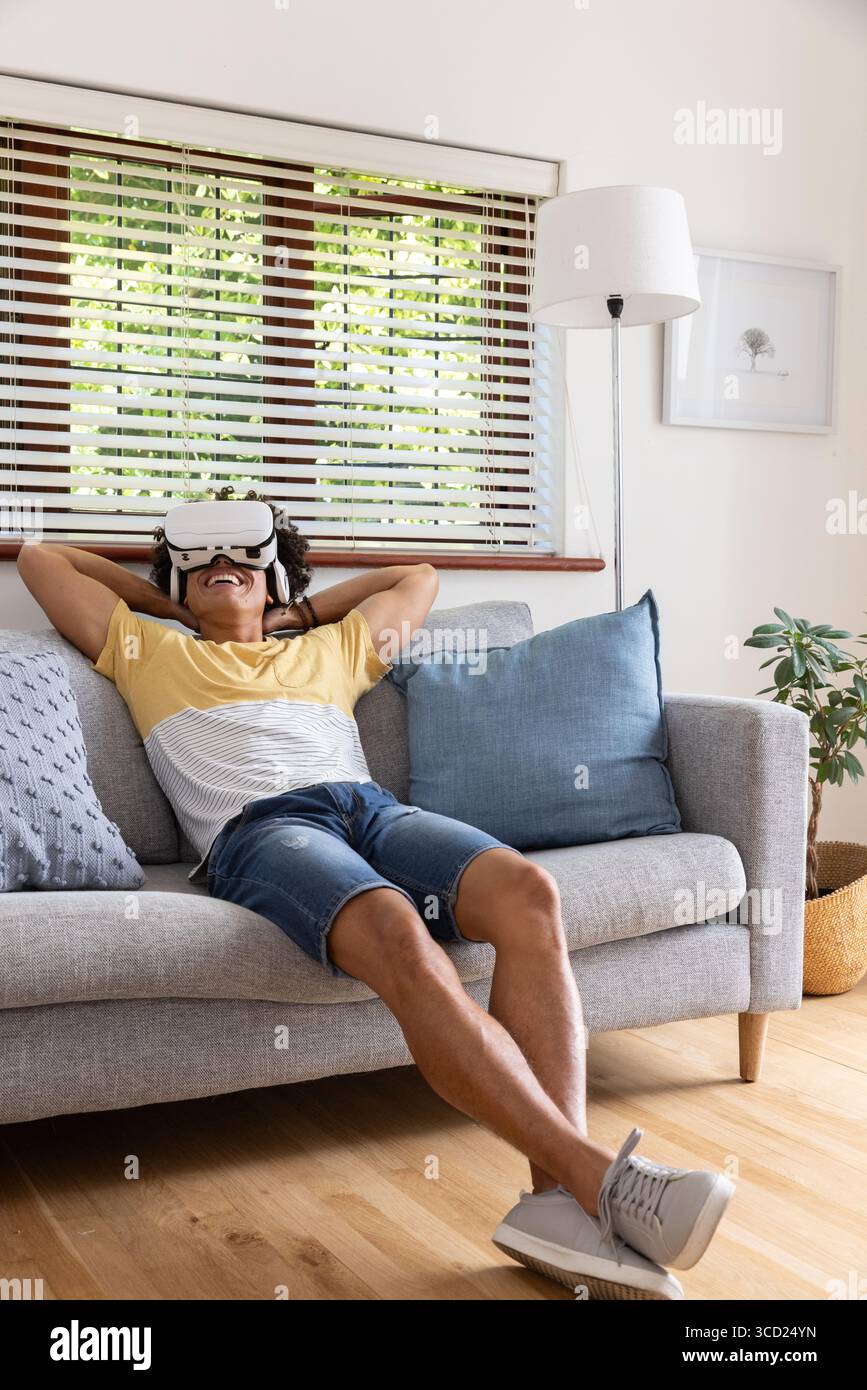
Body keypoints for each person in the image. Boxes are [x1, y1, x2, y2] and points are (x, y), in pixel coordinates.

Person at [17, 493, 734, 1300]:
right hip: (261, 832)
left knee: (528, 892)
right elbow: (44, 561)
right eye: (204, 564)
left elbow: (417, 576)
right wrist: (173, 596)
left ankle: (551, 1203)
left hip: (372, 809)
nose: (225, 569)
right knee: (395, 928)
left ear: (275, 576)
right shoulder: (145, 647)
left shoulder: (333, 649)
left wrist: (297, 606)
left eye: (244, 558)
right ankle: (596, 1178)